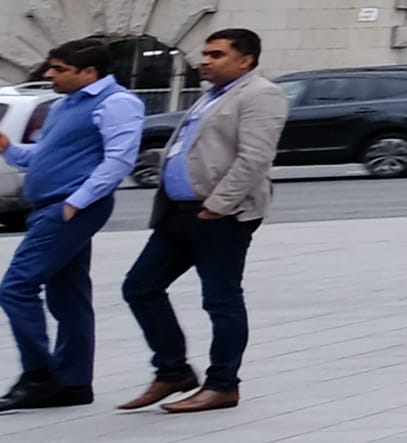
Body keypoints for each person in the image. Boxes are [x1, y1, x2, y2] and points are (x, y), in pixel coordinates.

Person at [120, 27, 285, 410]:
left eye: (216, 55)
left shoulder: (261, 95)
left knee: (221, 299)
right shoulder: (211, 96)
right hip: (177, 214)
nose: (204, 61)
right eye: (205, 54)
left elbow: (254, 158)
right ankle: (172, 371)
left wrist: (218, 206)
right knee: (140, 288)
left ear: (245, 60)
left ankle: (223, 384)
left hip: (218, 216)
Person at [0, 42, 147, 407]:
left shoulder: (117, 102)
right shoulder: (65, 104)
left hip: (69, 208)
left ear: (89, 73)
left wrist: (75, 203)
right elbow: (46, 155)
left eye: (60, 69)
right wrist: (8, 148)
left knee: (16, 287)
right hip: (54, 205)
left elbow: (118, 161)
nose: (50, 74)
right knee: (69, 296)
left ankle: (39, 375)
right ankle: (73, 382)